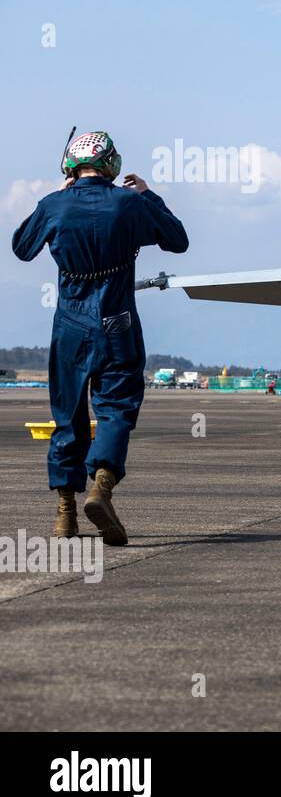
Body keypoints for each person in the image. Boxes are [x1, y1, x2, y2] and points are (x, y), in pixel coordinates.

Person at [12, 131, 188, 544]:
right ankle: (101, 486)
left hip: (70, 327)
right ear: (110, 164)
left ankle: (65, 514)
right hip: (118, 323)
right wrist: (148, 195)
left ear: (70, 168)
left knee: (67, 415)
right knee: (116, 409)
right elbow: (177, 241)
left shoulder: (55, 205)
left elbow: (21, 247)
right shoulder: (128, 204)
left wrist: (55, 197)